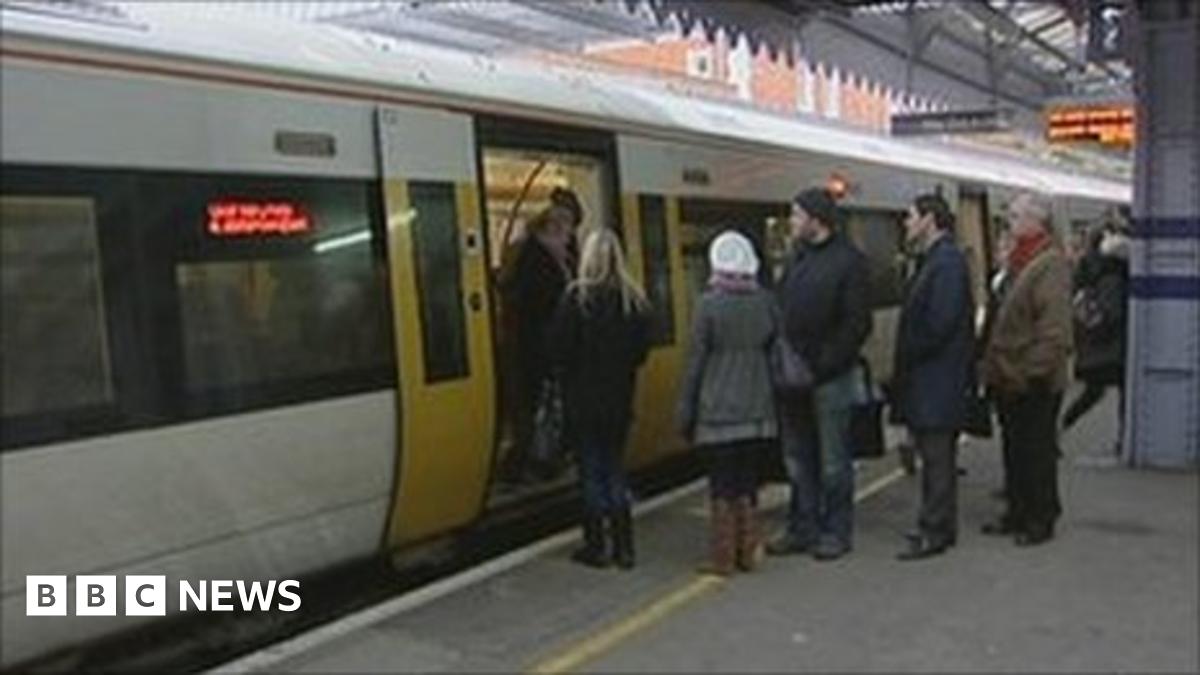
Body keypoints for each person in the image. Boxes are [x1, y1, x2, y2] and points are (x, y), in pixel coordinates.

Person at [769, 188, 872, 562]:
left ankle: (836, 530)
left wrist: (825, 364)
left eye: (796, 215)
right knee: (798, 458)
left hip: (830, 378)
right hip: (792, 377)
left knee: (833, 460)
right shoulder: (797, 259)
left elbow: (858, 323)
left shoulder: (849, 262)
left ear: (816, 219)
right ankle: (803, 525)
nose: (792, 222)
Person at [677, 231, 778, 576]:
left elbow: (695, 363)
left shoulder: (708, 305)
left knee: (721, 485)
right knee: (747, 483)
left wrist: (685, 411)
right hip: (757, 407)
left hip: (717, 410)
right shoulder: (764, 302)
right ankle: (749, 551)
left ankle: (723, 558)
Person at [551, 228, 650, 569]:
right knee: (614, 470)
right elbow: (640, 354)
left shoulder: (575, 300)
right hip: (619, 402)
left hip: (583, 403)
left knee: (591, 473)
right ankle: (626, 548)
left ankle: (596, 547)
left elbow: (559, 352)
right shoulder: (633, 301)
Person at [982, 192, 1074, 547]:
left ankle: (1040, 519)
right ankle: (1017, 512)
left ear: (1038, 221)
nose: (1010, 220)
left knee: (1036, 450)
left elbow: (1054, 331)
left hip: (1034, 381)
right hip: (1010, 377)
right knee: (1015, 449)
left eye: (1017, 215)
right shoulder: (1020, 261)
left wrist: (1031, 373)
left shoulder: (1049, 265)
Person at [891, 194, 976, 560]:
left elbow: (940, 322)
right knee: (933, 457)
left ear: (930, 220)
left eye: (910, 217)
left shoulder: (946, 264)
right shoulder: (937, 261)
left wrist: (910, 348)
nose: (906, 224)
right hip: (932, 379)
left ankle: (936, 531)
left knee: (938, 459)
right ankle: (934, 525)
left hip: (937, 379)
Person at [502, 190, 582, 483]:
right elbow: (542, 307)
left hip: (536, 349)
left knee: (538, 412)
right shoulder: (539, 261)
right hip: (537, 351)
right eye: (567, 231)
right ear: (553, 229)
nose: (570, 238)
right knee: (538, 411)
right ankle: (531, 465)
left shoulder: (538, 255)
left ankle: (534, 462)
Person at [1062, 223, 1130, 453]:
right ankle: (1124, 439)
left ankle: (1061, 425)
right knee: (1124, 393)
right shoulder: (1113, 275)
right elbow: (1113, 312)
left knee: (1093, 393)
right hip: (1113, 346)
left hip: (1094, 346)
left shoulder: (1089, 268)